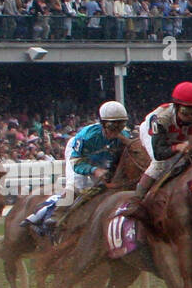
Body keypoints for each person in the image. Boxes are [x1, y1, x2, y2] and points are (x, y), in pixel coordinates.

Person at [23, 101, 130, 237]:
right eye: (112, 126)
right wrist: (95, 170)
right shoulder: (87, 136)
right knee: (77, 186)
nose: (117, 130)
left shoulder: (124, 137)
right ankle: (53, 216)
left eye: (121, 125)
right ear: (102, 124)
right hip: (78, 156)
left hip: (101, 159)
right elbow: (76, 162)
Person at [128, 82, 192, 204]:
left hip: (177, 133)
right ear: (176, 107)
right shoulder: (161, 118)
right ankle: (135, 202)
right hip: (153, 134)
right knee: (160, 164)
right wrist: (177, 147)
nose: (189, 117)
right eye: (185, 112)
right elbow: (159, 153)